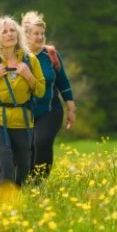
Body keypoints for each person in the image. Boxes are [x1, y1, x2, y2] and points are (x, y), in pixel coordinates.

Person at [0, 16, 45, 191]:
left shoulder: (30, 61)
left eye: (13, 30)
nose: (9, 34)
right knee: (4, 160)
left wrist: (29, 76)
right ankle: (6, 204)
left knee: (23, 168)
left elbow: (41, 91)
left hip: (22, 119)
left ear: (18, 34)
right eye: (4, 31)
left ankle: (18, 202)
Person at [20, 11, 76, 181]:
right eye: (36, 34)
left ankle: (39, 182)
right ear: (26, 35)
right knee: (27, 147)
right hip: (25, 111)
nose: (40, 37)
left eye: (42, 33)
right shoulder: (18, 57)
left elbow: (63, 82)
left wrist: (71, 108)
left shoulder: (50, 55)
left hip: (50, 109)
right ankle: (26, 182)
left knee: (42, 142)